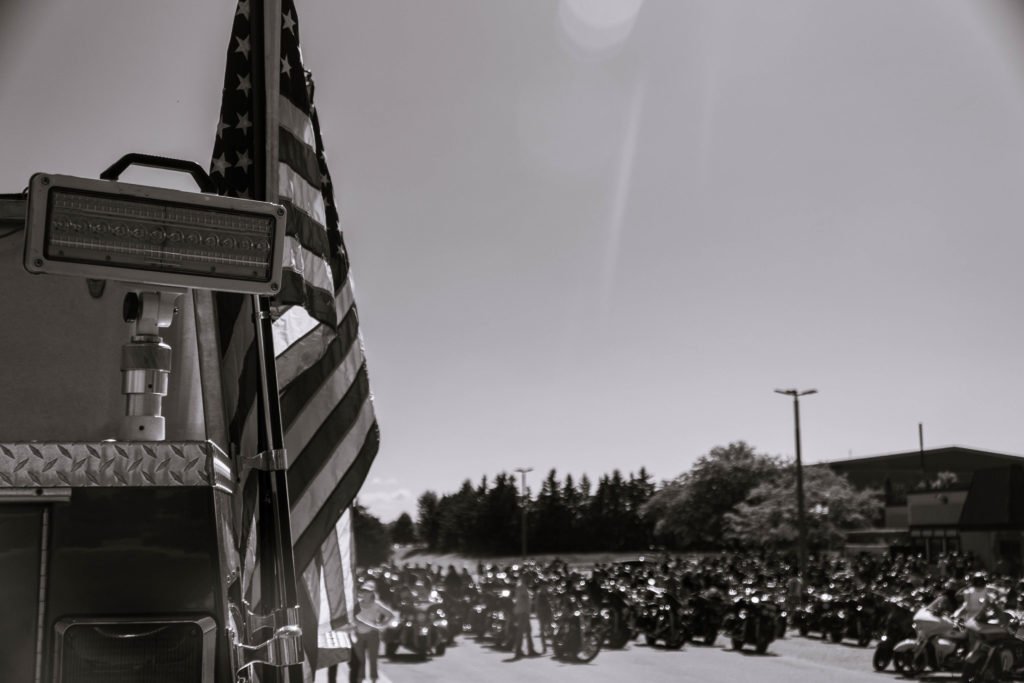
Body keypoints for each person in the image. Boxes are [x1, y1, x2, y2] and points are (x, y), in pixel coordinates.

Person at [349, 582, 395, 683]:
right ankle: (360, 679)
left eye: (368, 591)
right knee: (360, 660)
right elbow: (353, 619)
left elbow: (391, 615)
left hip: (372, 635)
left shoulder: (376, 604)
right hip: (359, 634)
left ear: (372, 593)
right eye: (363, 591)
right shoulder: (357, 604)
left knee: (373, 659)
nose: (365, 593)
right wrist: (374, 626)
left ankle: (374, 679)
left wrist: (383, 625)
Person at [512, 574, 539, 659]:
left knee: (528, 631)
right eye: (528, 579)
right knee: (521, 632)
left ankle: (530, 649)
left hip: (525, 612)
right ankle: (518, 651)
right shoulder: (521, 588)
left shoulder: (524, 587)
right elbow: (524, 599)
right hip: (522, 612)